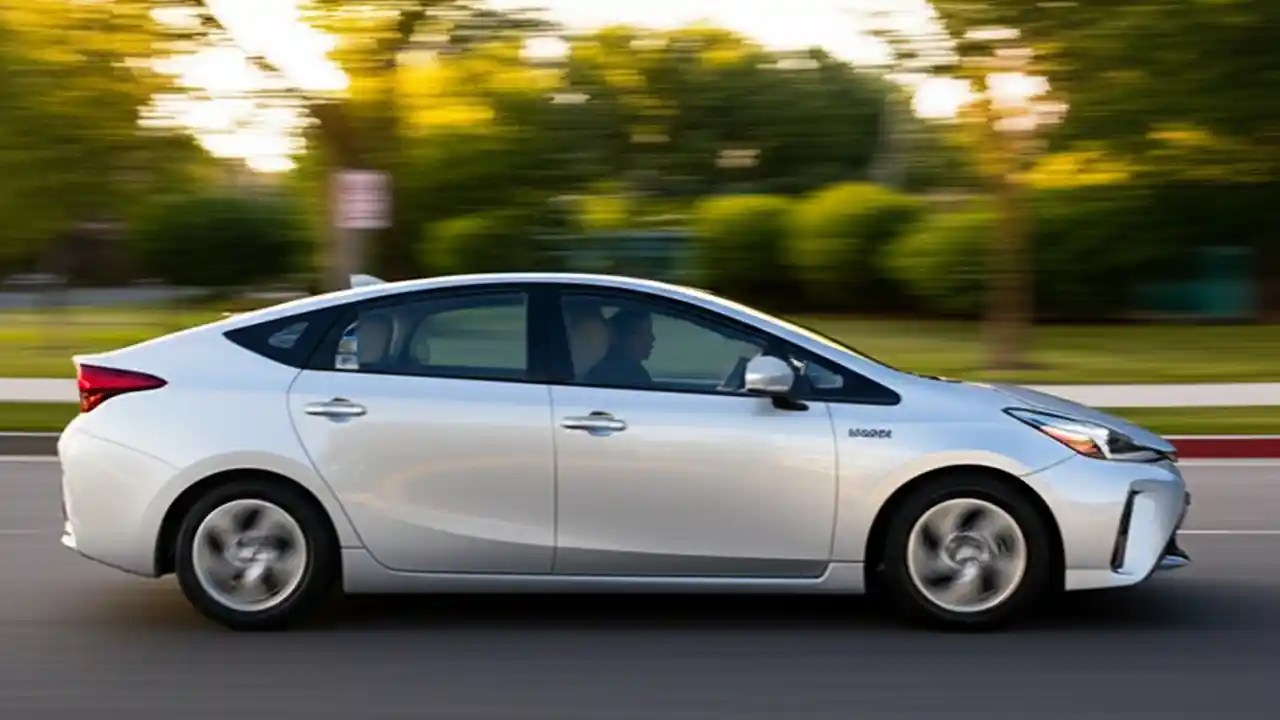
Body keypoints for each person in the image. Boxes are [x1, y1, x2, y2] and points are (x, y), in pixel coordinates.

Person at [585, 309, 656, 387]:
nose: (652, 338)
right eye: (644, 332)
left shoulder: (635, 371)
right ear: (623, 338)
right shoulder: (606, 376)